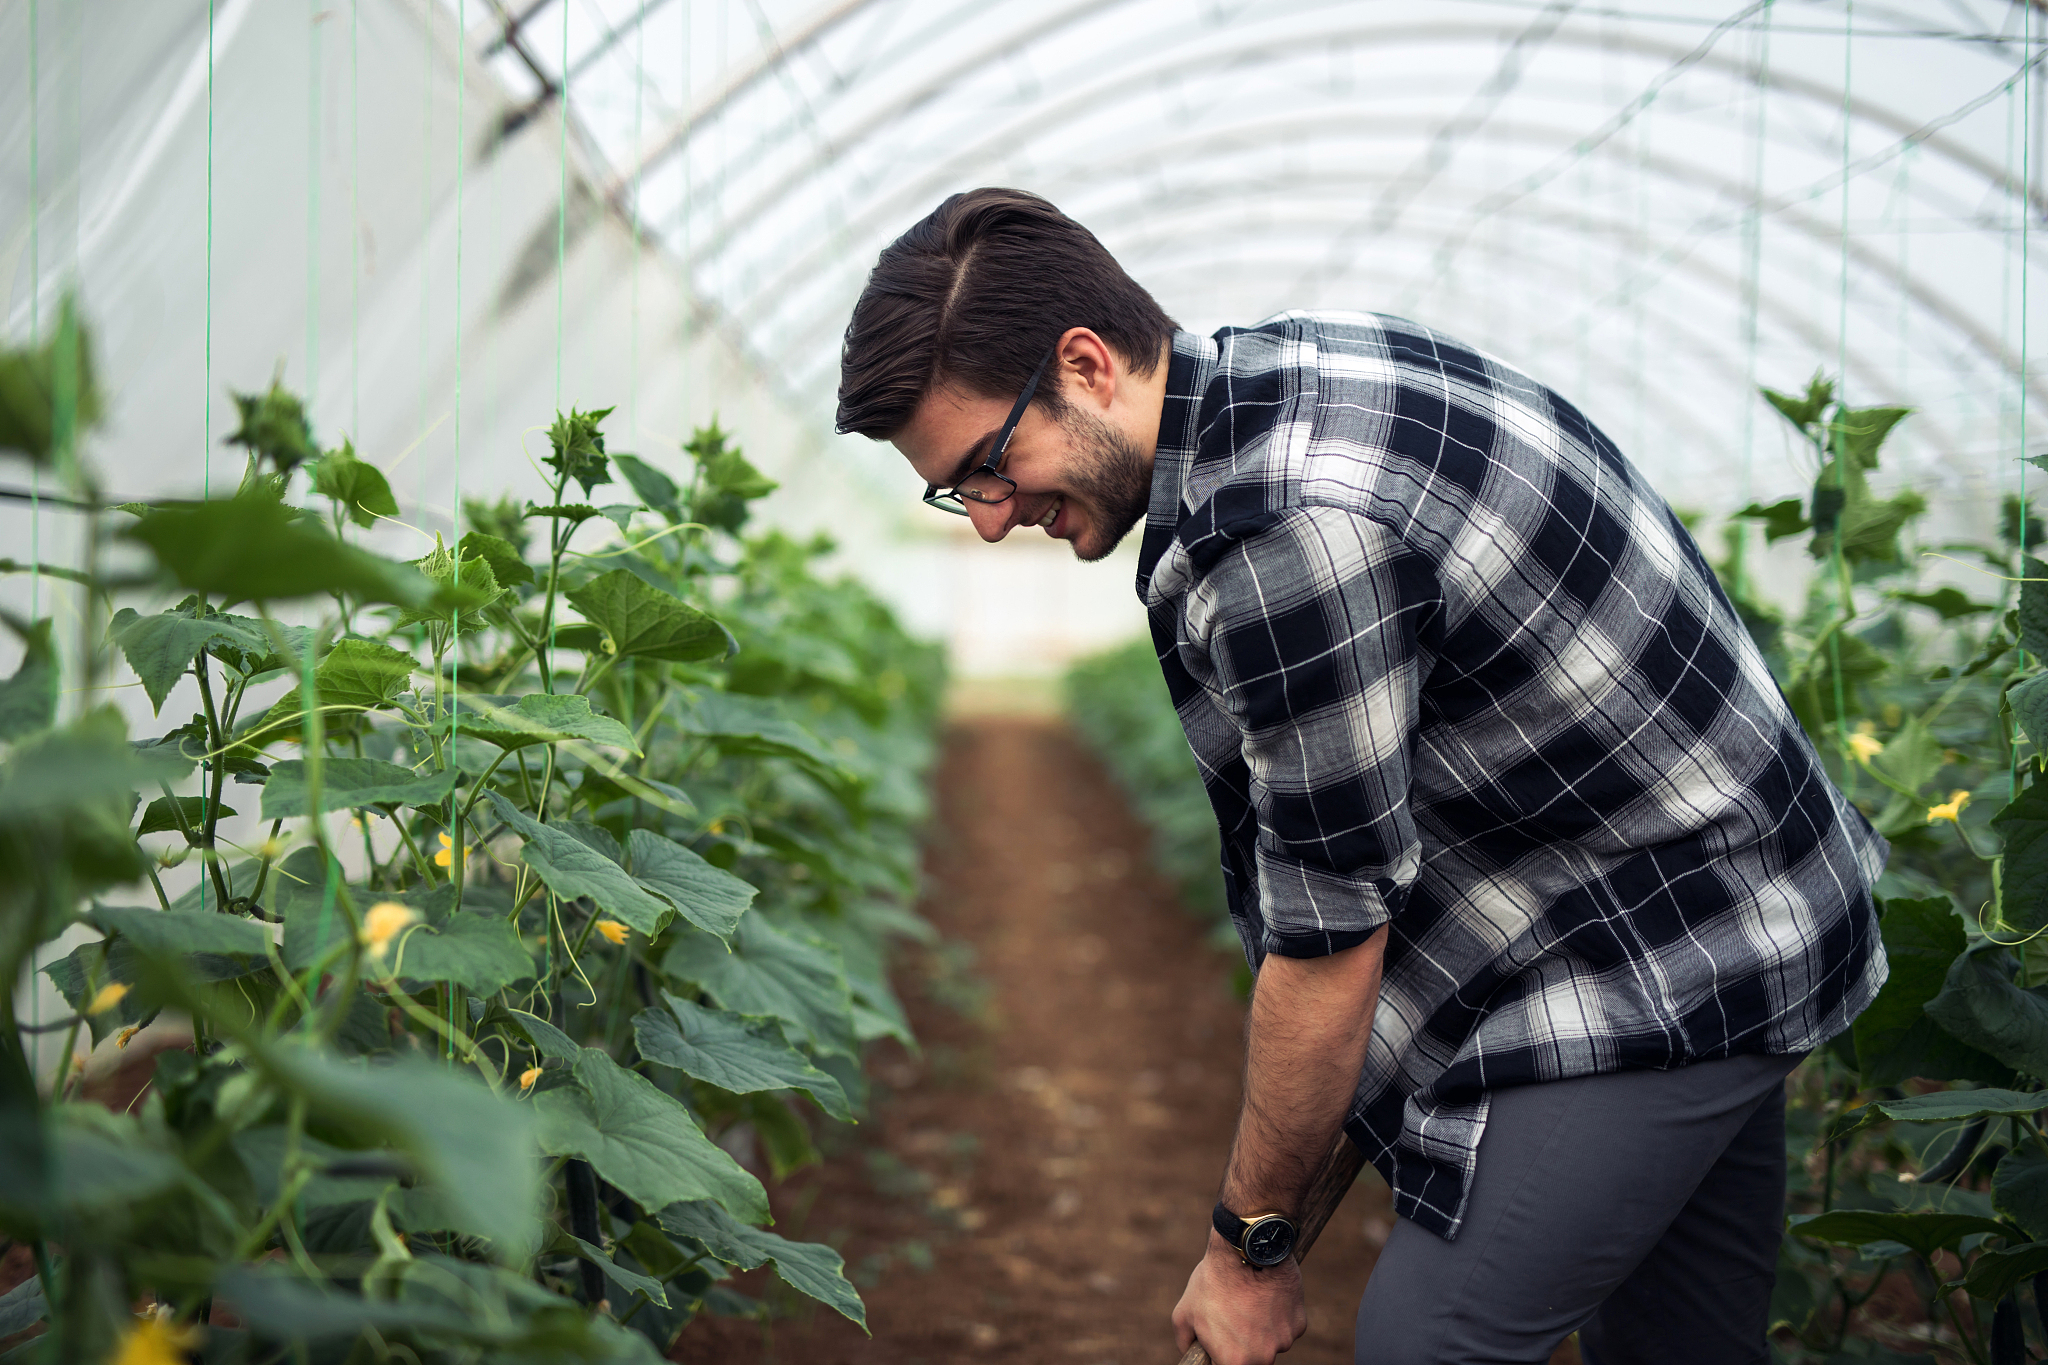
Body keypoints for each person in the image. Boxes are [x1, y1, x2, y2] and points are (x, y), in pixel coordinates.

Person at [834, 187, 1886, 1365]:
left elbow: (1328, 943)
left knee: (1426, 1342)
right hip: (1717, 881)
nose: (985, 520)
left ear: (1085, 366)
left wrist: (1247, 1251)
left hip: (1677, 945)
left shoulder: (1285, 534)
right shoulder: (1284, 374)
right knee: (1676, 1347)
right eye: (954, 490)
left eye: (987, 465)